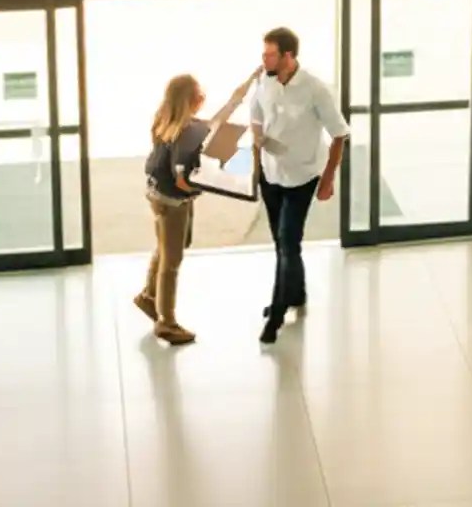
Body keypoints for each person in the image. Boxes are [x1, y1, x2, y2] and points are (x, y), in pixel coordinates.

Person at [136, 69, 259, 345]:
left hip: (157, 195)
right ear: (193, 98)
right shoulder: (187, 130)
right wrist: (209, 183)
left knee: (165, 249)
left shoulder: (165, 120)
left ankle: (148, 297)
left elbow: (212, 125)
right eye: (200, 92)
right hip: (173, 200)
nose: (203, 96)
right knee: (172, 261)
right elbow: (182, 180)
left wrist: (240, 94)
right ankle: (166, 323)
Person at [251, 27, 349, 344]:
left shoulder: (315, 89)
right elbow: (255, 115)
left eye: (270, 54)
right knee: (284, 245)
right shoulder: (263, 82)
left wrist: (329, 178)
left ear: (288, 56)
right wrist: (255, 149)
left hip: (302, 177)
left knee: (287, 241)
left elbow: (339, 134)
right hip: (270, 174)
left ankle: (277, 314)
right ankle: (297, 293)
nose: (264, 58)